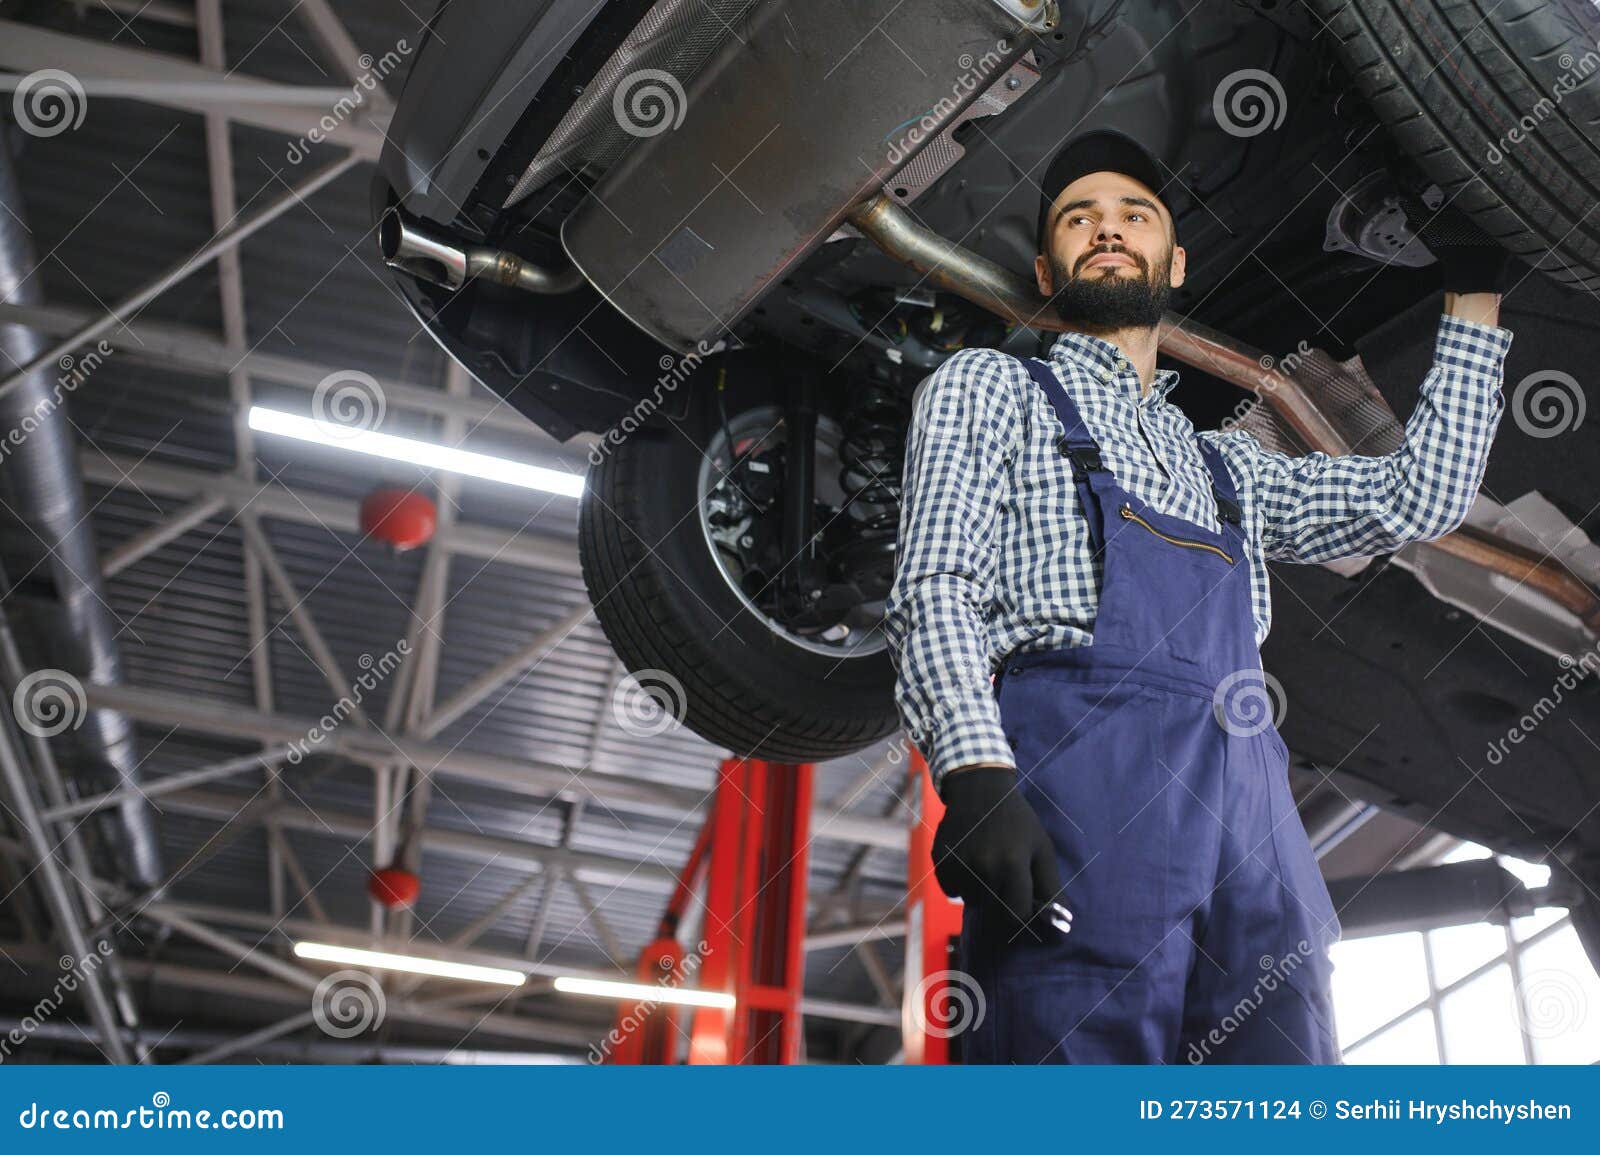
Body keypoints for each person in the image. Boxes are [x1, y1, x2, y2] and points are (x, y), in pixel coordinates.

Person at [882, 128, 1515, 1063]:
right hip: (1082, 786)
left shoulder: (1231, 468)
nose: (1106, 228)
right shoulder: (990, 387)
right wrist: (975, 768)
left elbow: (1416, 495)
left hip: (1251, 808)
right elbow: (934, 579)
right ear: (1046, 268)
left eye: (1133, 215)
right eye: (1077, 218)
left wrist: (1476, 295)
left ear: (1172, 262)